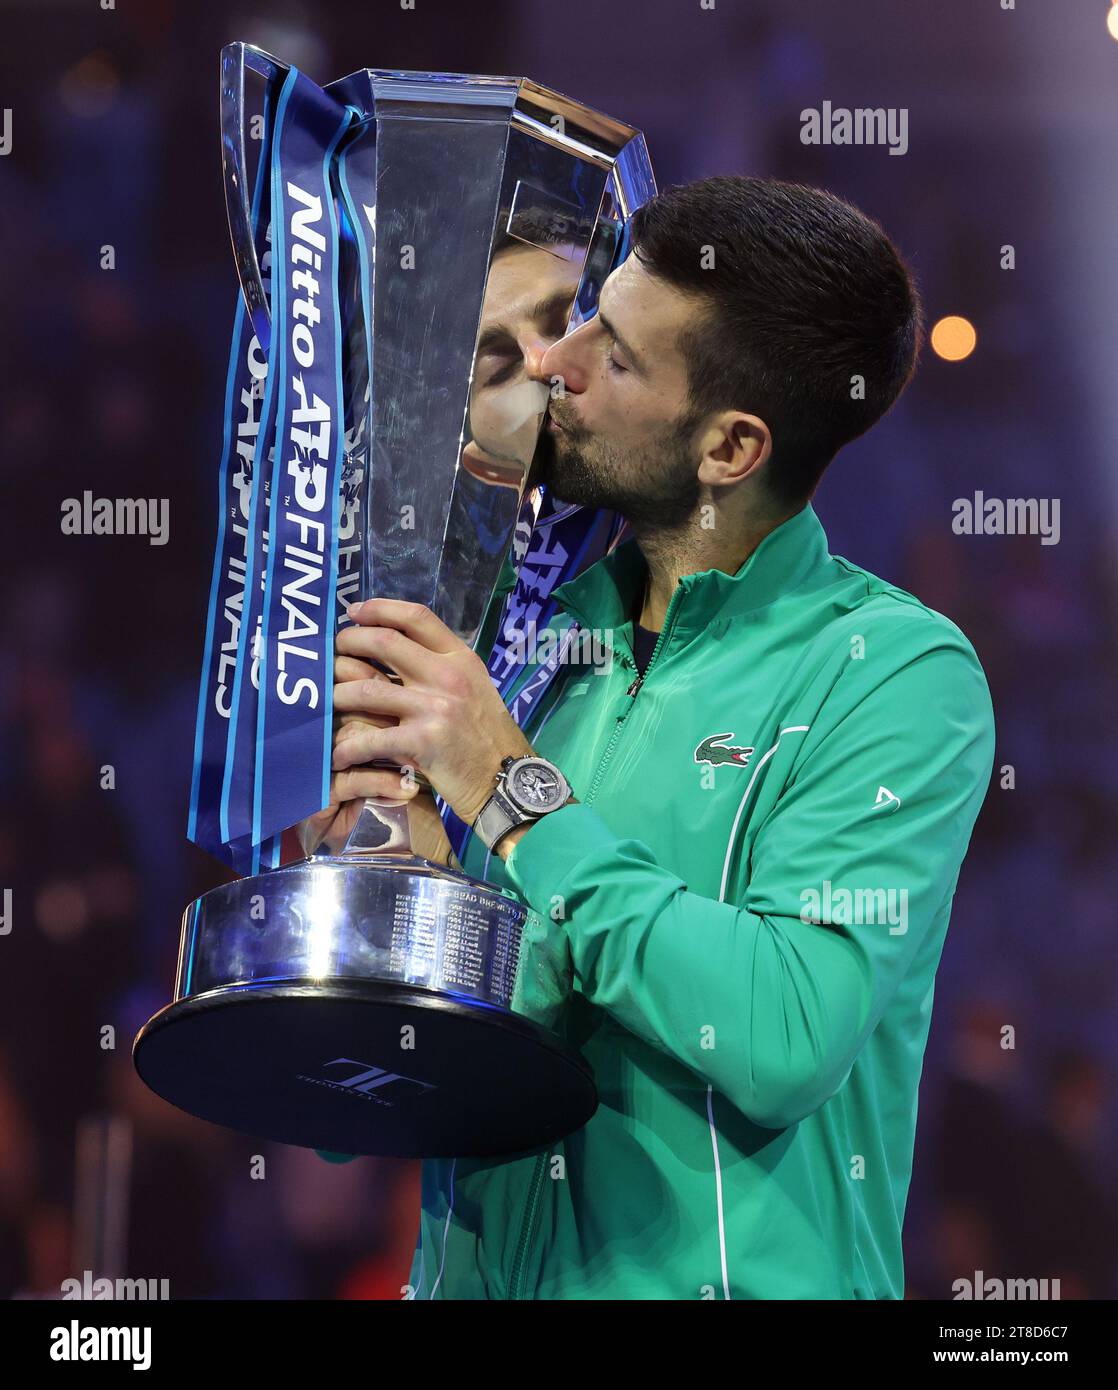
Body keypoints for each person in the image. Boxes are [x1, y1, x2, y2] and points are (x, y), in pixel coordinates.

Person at [309, 175, 996, 1299]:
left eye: (613, 355)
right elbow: (364, 1106)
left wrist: (511, 790)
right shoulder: (520, 643)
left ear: (728, 447)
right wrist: (384, 902)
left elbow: (780, 1033)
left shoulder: (894, 674)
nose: (555, 362)